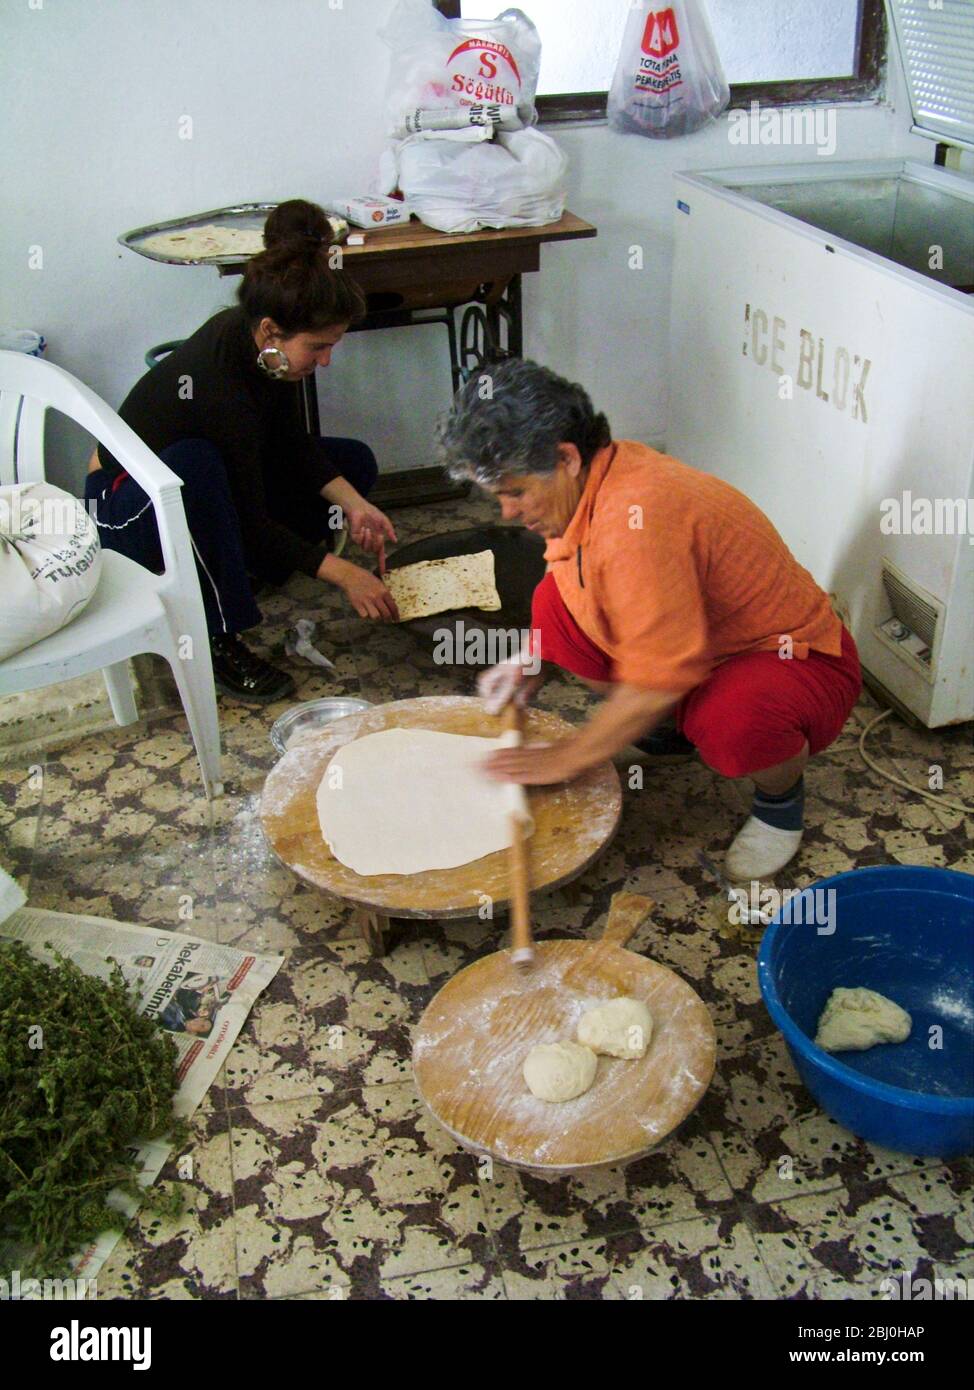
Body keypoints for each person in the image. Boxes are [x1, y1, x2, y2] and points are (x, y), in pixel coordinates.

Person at [436, 358, 862, 881]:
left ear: (566, 457)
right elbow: (571, 576)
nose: (506, 511)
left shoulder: (636, 517)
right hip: (703, 644)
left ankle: (780, 802)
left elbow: (660, 674)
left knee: (733, 720)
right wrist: (533, 659)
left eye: (516, 491)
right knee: (551, 608)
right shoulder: (593, 481)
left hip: (794, 659)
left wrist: (567, 758)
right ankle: (675, 730)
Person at [86, 199, 399, 703]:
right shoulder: (218, 387)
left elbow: (290, 443)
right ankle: (215, 634)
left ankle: (241, 567)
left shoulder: (258, 342)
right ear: (273, 330)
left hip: (206, 484)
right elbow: (249, 518)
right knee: (197, 466)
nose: (327, 360)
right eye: (319, 347)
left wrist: (355, 504)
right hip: (126, 508)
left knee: (352, 463)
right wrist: (345, 575)